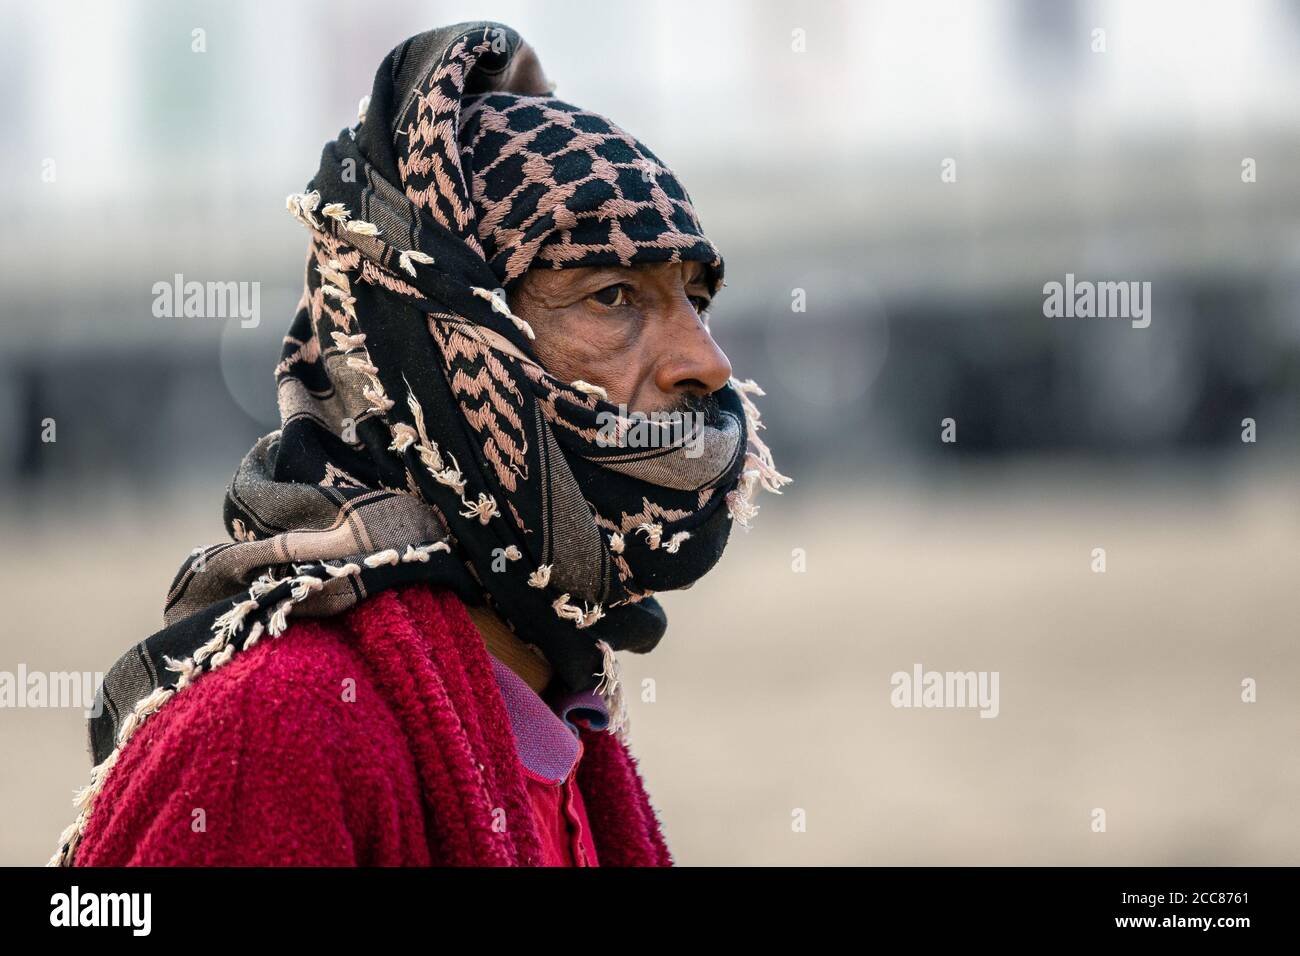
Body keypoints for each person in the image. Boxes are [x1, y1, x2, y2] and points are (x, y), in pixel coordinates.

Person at [51, 20, 788, 867]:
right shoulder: (272, 737)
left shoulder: (555, 714)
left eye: (696, 298)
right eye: (613, 295)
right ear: (436, 348)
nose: (708, 361)